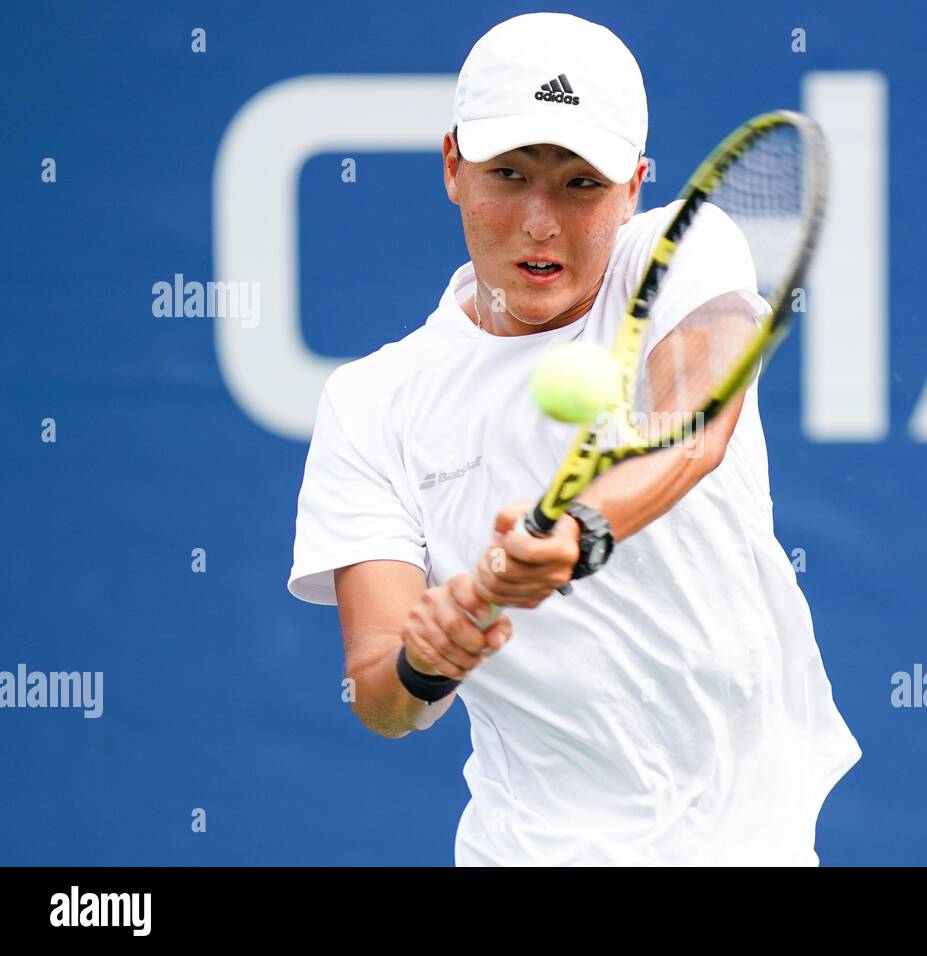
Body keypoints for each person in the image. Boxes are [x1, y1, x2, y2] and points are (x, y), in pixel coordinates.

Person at [288, 11, 860, 866]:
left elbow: (690, 432)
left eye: (580, 184)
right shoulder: (372, 401)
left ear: (634, 186)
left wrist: (578, 531)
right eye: (508, 174)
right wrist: (427, 658)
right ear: (452, 165)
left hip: (748, 845)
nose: (540, 222)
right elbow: (378, 690)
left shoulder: (682, 251)